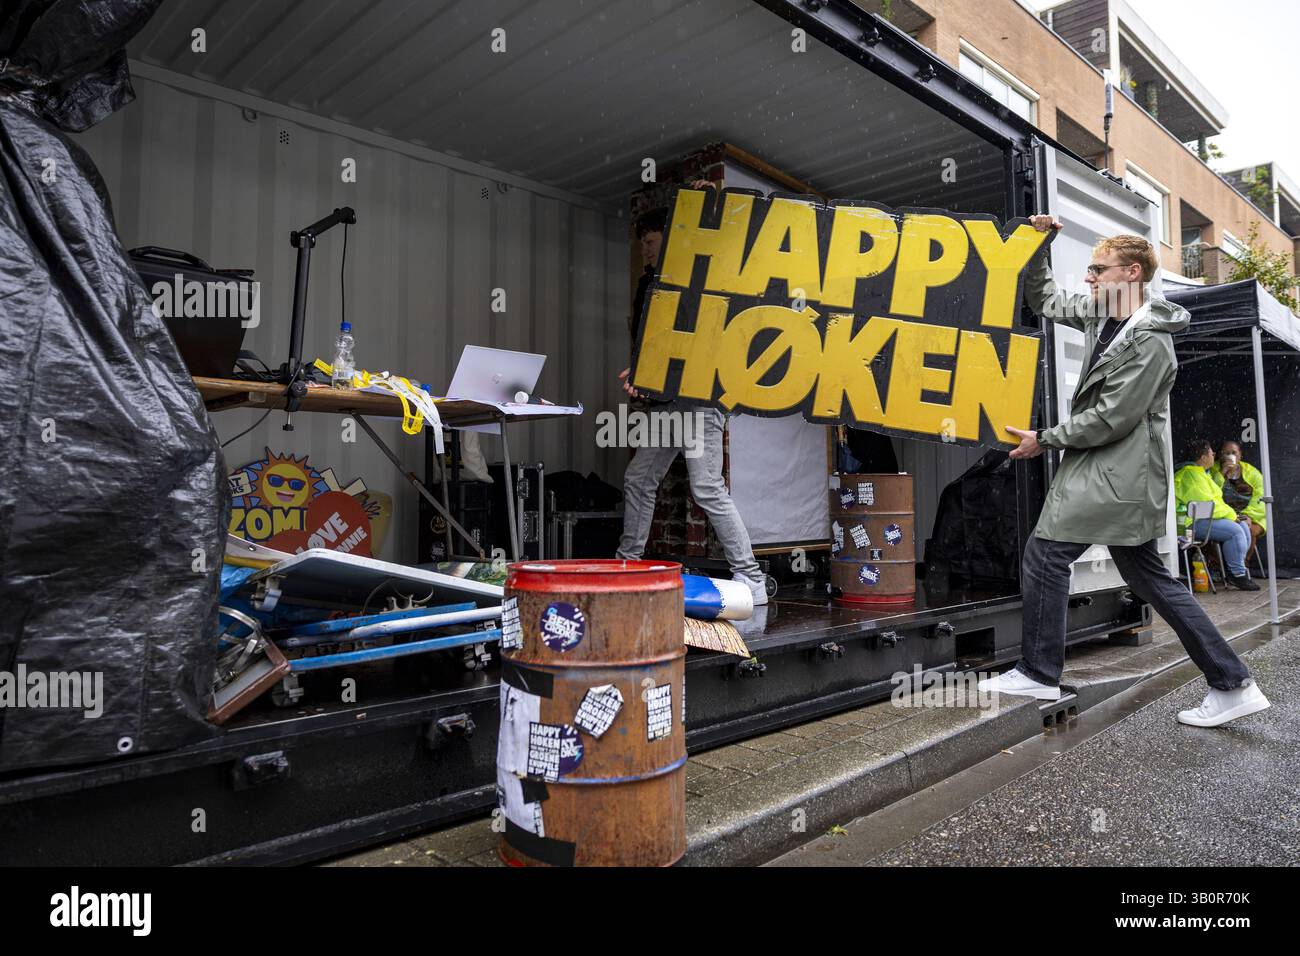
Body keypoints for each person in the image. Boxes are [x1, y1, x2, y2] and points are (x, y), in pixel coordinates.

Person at [980, 218, 1269, 728]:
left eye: (1098, 268)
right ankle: (1232, 682)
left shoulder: (1152, 343)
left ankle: (1038, 671)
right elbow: (1045, 299)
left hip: (1120, 476)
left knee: (1046, 555)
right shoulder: (1100, 314)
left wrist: (1043, 439)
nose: (1089, 277)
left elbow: (1112, 418)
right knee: (1153, 581)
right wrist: (1038, 244)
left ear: (1130, 272)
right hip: (1110, 474)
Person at [615, 183, 768, 606]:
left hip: (700, 398)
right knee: (639, 478)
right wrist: (640, 373)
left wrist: (709, 202)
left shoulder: (701, 276)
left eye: (650, 242)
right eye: (642, 244)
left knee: (706, 488)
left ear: (672, 237)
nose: (645, 250)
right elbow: (656, 346)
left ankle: (751, 577)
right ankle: (628, 565)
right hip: (667, 401)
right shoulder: (650, 287)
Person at [1174, 439, 1257, 590]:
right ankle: (1237, 575)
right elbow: (1207, 505)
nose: (1214, 454)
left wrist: (1223, 474)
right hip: (1188, 523)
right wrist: (1232, 516)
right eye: (1211, 452)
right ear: (1203, 457)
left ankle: (1238, 570)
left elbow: (1216, 496)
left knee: (1244, 527)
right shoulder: (1189, 474)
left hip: (1203, 519)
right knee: (1235, 531)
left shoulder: (1200, 473)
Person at [1211, 439, 1266, 559]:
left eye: (1233, 452)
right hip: (1225, 514)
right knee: (1215, 531)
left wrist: (1249, 516)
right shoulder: (1213, 470)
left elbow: (1261, 499)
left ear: (1240, 455)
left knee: (1248, 529)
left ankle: (1243, 564)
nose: (1230, 456)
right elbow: (1210, 493)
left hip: (1252, 515)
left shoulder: (1252, 473)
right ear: (1221, 455)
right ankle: (1219, 566)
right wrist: (1222, 473)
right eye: (1226, 453)